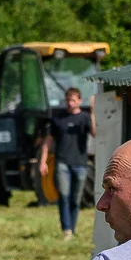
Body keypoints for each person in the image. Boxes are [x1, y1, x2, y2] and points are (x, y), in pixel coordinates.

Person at [39, 86, 95, 239]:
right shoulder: (58, 118)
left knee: (76, 200)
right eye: (68, 100)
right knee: (64, 195)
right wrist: (43, 161)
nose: (70, 103)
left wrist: (93, 112)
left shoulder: (85, 118)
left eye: (73, 100)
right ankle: (67, 229)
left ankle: (72, 227)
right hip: (62, 162)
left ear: (79, 101)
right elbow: (48, 141)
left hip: (80, 164)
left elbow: (95, 133)